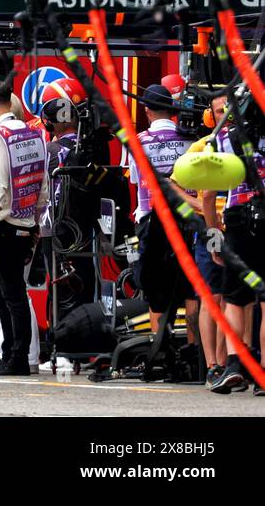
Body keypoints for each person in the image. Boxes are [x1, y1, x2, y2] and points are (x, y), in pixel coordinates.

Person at [0, 82, 49, 376]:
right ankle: (10, 354)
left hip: (4, 226)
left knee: (12, 295)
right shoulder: (36, 134)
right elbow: (43, 186)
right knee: (2, 293)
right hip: (27, 222)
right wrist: (36, 226)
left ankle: (16, 358)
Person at [205, 94, 265, 394]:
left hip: (238, 221)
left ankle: (232, 364)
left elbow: (206, 196)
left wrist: (214, 236)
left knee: (235, 299)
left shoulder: (221, 140)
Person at [129, 82, 195, 339]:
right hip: (189, 223)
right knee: (191, 289)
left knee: (156, 294)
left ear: (147, 111)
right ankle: (193, 351)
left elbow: (135, 181)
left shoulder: (138, 142)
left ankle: (161, 353)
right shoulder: (190, 139)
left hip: (152, 224)